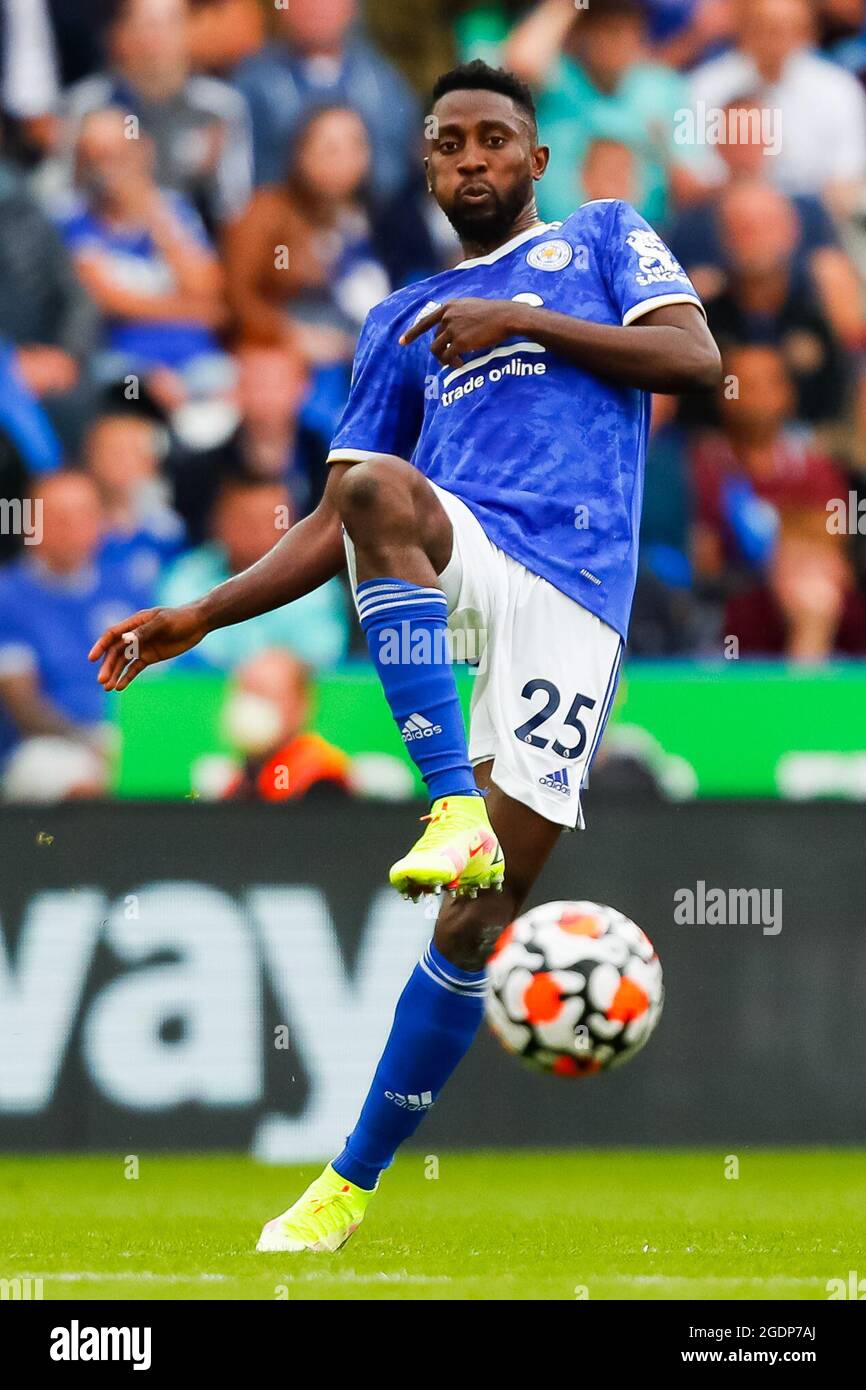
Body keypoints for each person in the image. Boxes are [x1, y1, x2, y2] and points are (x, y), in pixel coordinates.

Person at [89, 60, 720, 1252]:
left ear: (534, 159)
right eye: (447, 145)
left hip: (575, 597)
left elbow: (696, 364)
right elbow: (339, 519)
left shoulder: (598, 236)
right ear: (425, 166)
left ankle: (347, 1183)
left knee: (479, 920)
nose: (471, 160)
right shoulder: (400, 319)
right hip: (458, 548)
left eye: (493, 140)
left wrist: (524, 319)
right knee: (377, 480)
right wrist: (202, 614)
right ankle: (447, 804)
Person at [55, 0, 253, 229]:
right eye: (146, 25)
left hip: (190, 250)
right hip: (102, 248)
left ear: (191, 31)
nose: (157, 40)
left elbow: (235, 210)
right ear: (120, 34)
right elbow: (61, 198)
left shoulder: (221, 108)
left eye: (170, 24)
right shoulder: (86, 105)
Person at [157, 474, 348, 671]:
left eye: (270, 520)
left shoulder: (317, 585)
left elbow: (320, 658)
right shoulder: (186, 576)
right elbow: (177, 655)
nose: (258, 532)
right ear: (218, 522)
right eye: (246, 520)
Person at [219, 648, 352, 801]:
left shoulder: (320, 779)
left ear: (301, 705)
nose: (250, 704)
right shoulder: (241, 781)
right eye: (246, 690)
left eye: (264, 692)